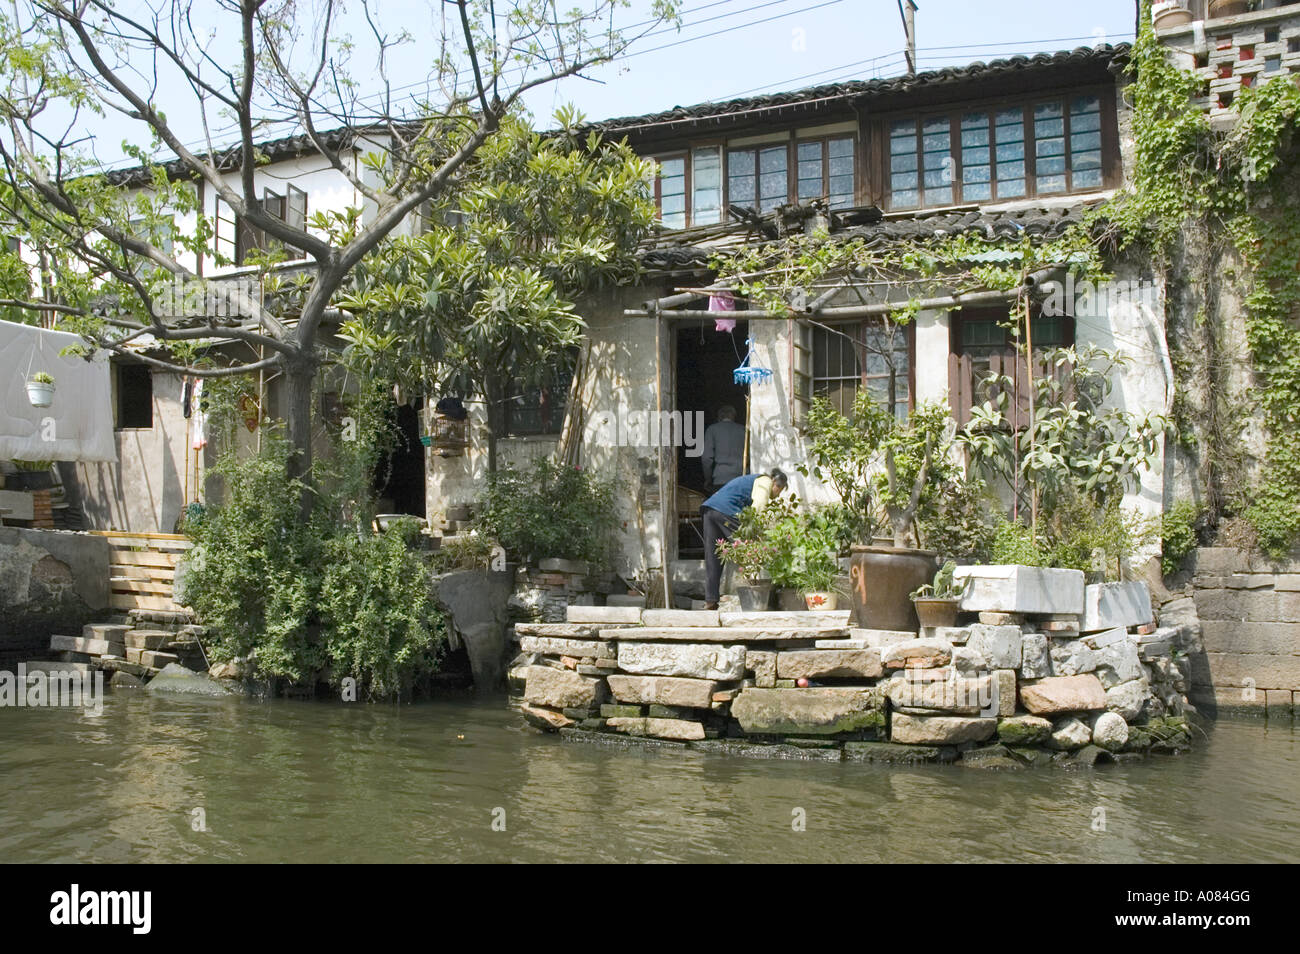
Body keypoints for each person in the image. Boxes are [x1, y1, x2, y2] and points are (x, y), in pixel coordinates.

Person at [700, 468, 788, 610]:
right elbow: (758, 508)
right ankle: (757, 596)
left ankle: (711, 601)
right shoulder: (764, 480)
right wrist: (759, 534)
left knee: (713, 556)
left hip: (710, 509)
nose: (777, 495)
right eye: (780, 489)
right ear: (775, 483)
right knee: (751, 547)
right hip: (726, 510)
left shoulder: (751, 481)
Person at [701, 405, 746, 493]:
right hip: (740, 477)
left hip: (720, 478)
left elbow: (706, 458)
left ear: (719, 417)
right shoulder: (744, 430)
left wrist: (708, 479)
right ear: (734, 416)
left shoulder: (712, 430)